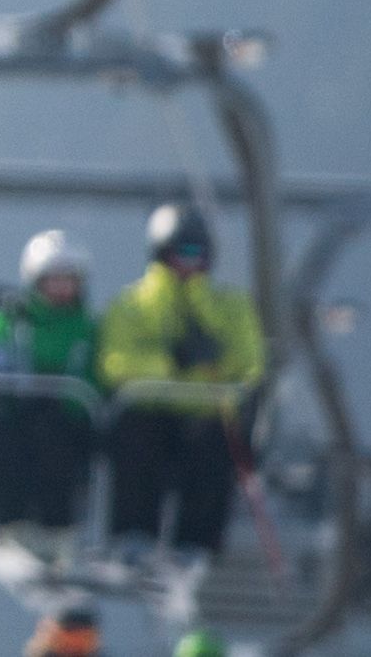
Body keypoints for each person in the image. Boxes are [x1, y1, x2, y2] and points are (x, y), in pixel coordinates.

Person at [98, 204, 265, 562]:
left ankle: (196, 545)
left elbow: (250, 364)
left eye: (196, 253)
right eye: (180, 252)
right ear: (161, 253)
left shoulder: (230, 306)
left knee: (212, 446)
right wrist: (172, 362)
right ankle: (133, 537)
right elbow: (116, 363)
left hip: (203, 414)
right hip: (150, 411)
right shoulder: (132, 305)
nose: (189, 262)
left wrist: (215, 356)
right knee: (136, 438)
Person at [0, 227, 107, 541]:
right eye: (53, 279)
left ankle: (57, 533)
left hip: (66, 423)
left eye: (69, 280)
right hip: (15, 417)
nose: (61, 288)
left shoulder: (88, 327)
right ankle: (9, 529)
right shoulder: (9, 321)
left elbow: (97, 375)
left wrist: (65, 401)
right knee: (6, 444)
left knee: (55, 448)